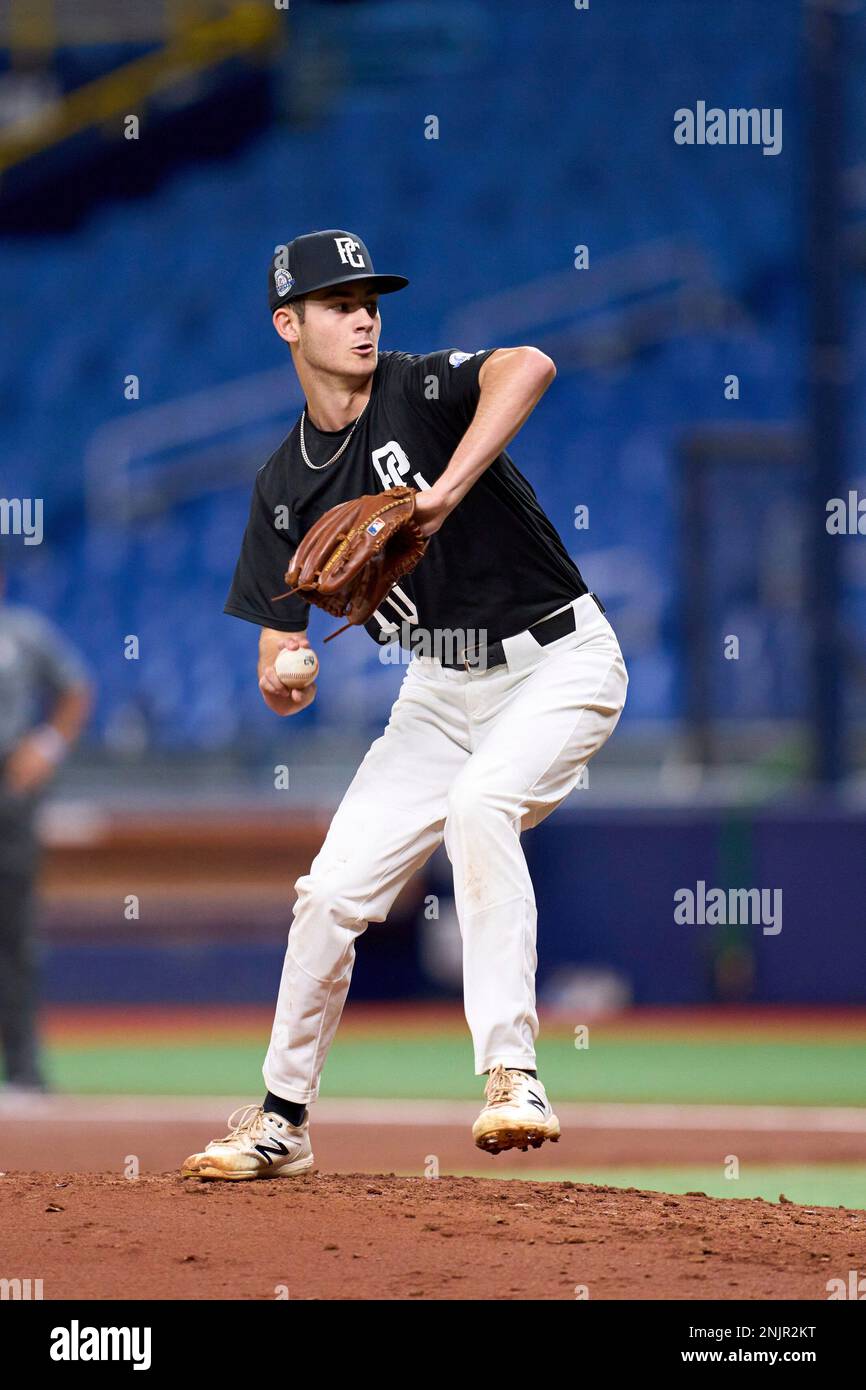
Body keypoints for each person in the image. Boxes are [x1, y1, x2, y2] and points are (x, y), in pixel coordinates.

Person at [182, 230, 628, 1180]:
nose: (363, 315)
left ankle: (513, 1073)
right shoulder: (281, 486)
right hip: (435, 691)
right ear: (287, 325)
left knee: (480, 808)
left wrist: (442, 492)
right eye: (338, 302)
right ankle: (280, 1121)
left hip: (557, 660)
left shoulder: (417, 388)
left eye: (370, 298)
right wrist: (288, 675)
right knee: (331, 895)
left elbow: (531, 364)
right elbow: (277, 663)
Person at [0, 557, 91, 1094]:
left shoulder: (24, 633)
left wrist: (46, 746)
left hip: (11, 788)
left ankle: (24, 1070)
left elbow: (76, 689)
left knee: (15, 932)